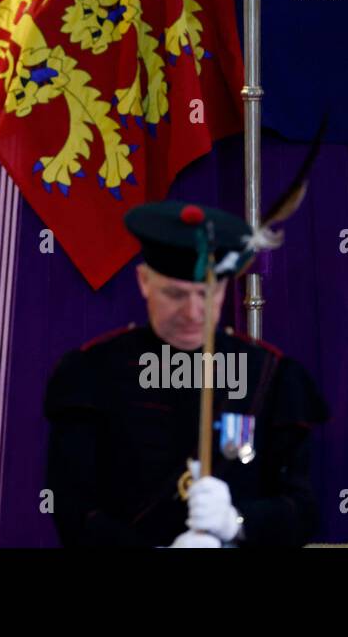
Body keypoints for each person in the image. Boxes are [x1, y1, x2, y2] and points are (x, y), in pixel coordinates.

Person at [45, 200, 329, 547]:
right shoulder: (92, 371)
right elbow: (74, 511)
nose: (194, 313)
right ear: (144, 282)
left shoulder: (271, 375)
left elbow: (303, 509)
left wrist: (236, 522)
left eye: (206, 294)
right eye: (176, 295)